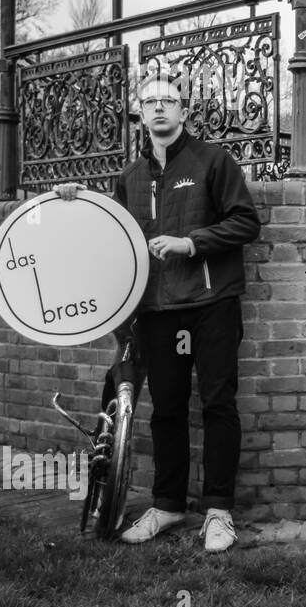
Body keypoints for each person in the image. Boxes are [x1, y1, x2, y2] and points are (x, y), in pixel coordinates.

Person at [55, 73, 262, 552]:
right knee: (166, 410)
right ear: (141, 114)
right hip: (156, 309)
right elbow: (111, 236)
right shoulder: (130, 177)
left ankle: (218, 511)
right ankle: (168, 505)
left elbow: (245, 221)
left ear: (184, 110)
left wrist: (193, 243)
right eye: (151, 101)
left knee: (218, 405)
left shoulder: (214, 160)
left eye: (170, 100)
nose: (160, 107)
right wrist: (75, 200)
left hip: (211, 304)